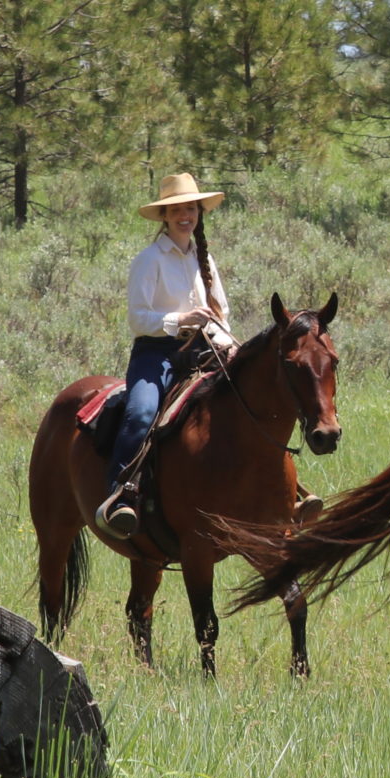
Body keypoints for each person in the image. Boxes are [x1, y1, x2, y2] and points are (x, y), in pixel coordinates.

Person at [99, 172, 232, 533]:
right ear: (164, 217)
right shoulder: (149, 259)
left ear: (199, 213)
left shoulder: (204, 259)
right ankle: (118, 496)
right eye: (177, 210)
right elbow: (138, 319)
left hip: (203, 349)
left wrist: (229, 344)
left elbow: (221, 313)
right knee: (141, 413)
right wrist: (181, 319)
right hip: (156, 352)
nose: (185, 215)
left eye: (191, 208)